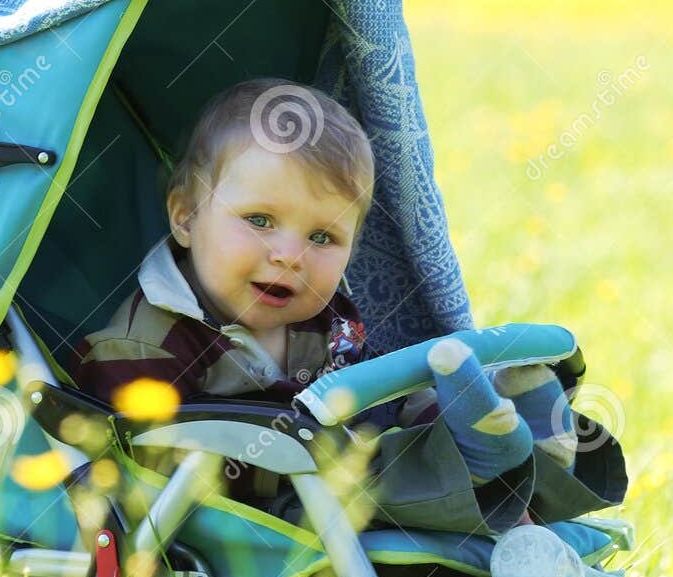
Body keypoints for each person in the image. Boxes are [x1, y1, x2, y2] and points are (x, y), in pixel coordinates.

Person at [74, 78, 627, 533]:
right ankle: (496, 469)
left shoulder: (324, 318)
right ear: (187, 217)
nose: (289, 256)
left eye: (322, 238)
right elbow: (127, 466)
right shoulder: (147, 343)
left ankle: (516, 456)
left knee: (402, 421)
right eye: (260, 221)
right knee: (379, 484)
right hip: (262, 515)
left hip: (330, 473)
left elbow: (372, 402)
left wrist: (418, 409)